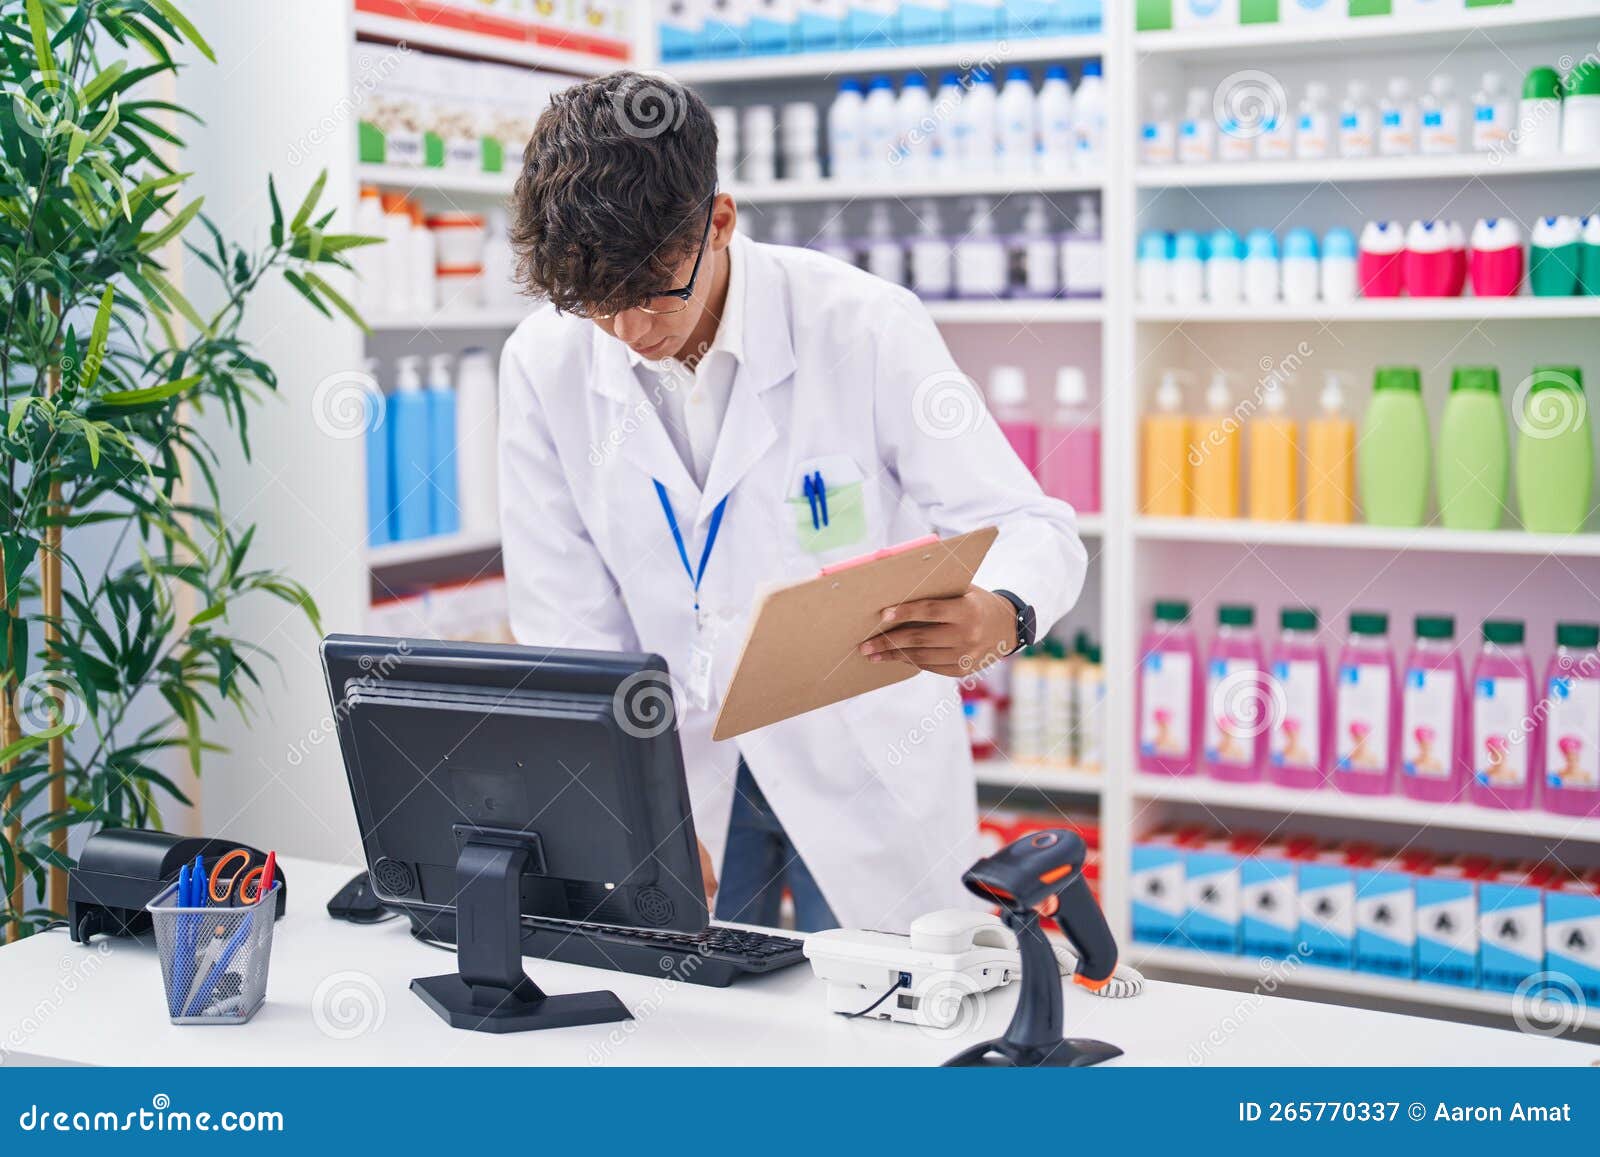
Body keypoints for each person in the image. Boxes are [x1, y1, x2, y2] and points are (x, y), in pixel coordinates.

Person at [497, 72, 1086, 933]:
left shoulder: (864, 326)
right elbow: (565, 630)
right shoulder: (544, 364)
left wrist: (1005, 612)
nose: (626, 332)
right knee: (705, 1042)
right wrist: (630, 808)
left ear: (719, 223)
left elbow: (1035, 527)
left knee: (887, 1038)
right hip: (679, 772)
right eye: (595, 304)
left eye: (652, 290)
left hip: (863, 759)